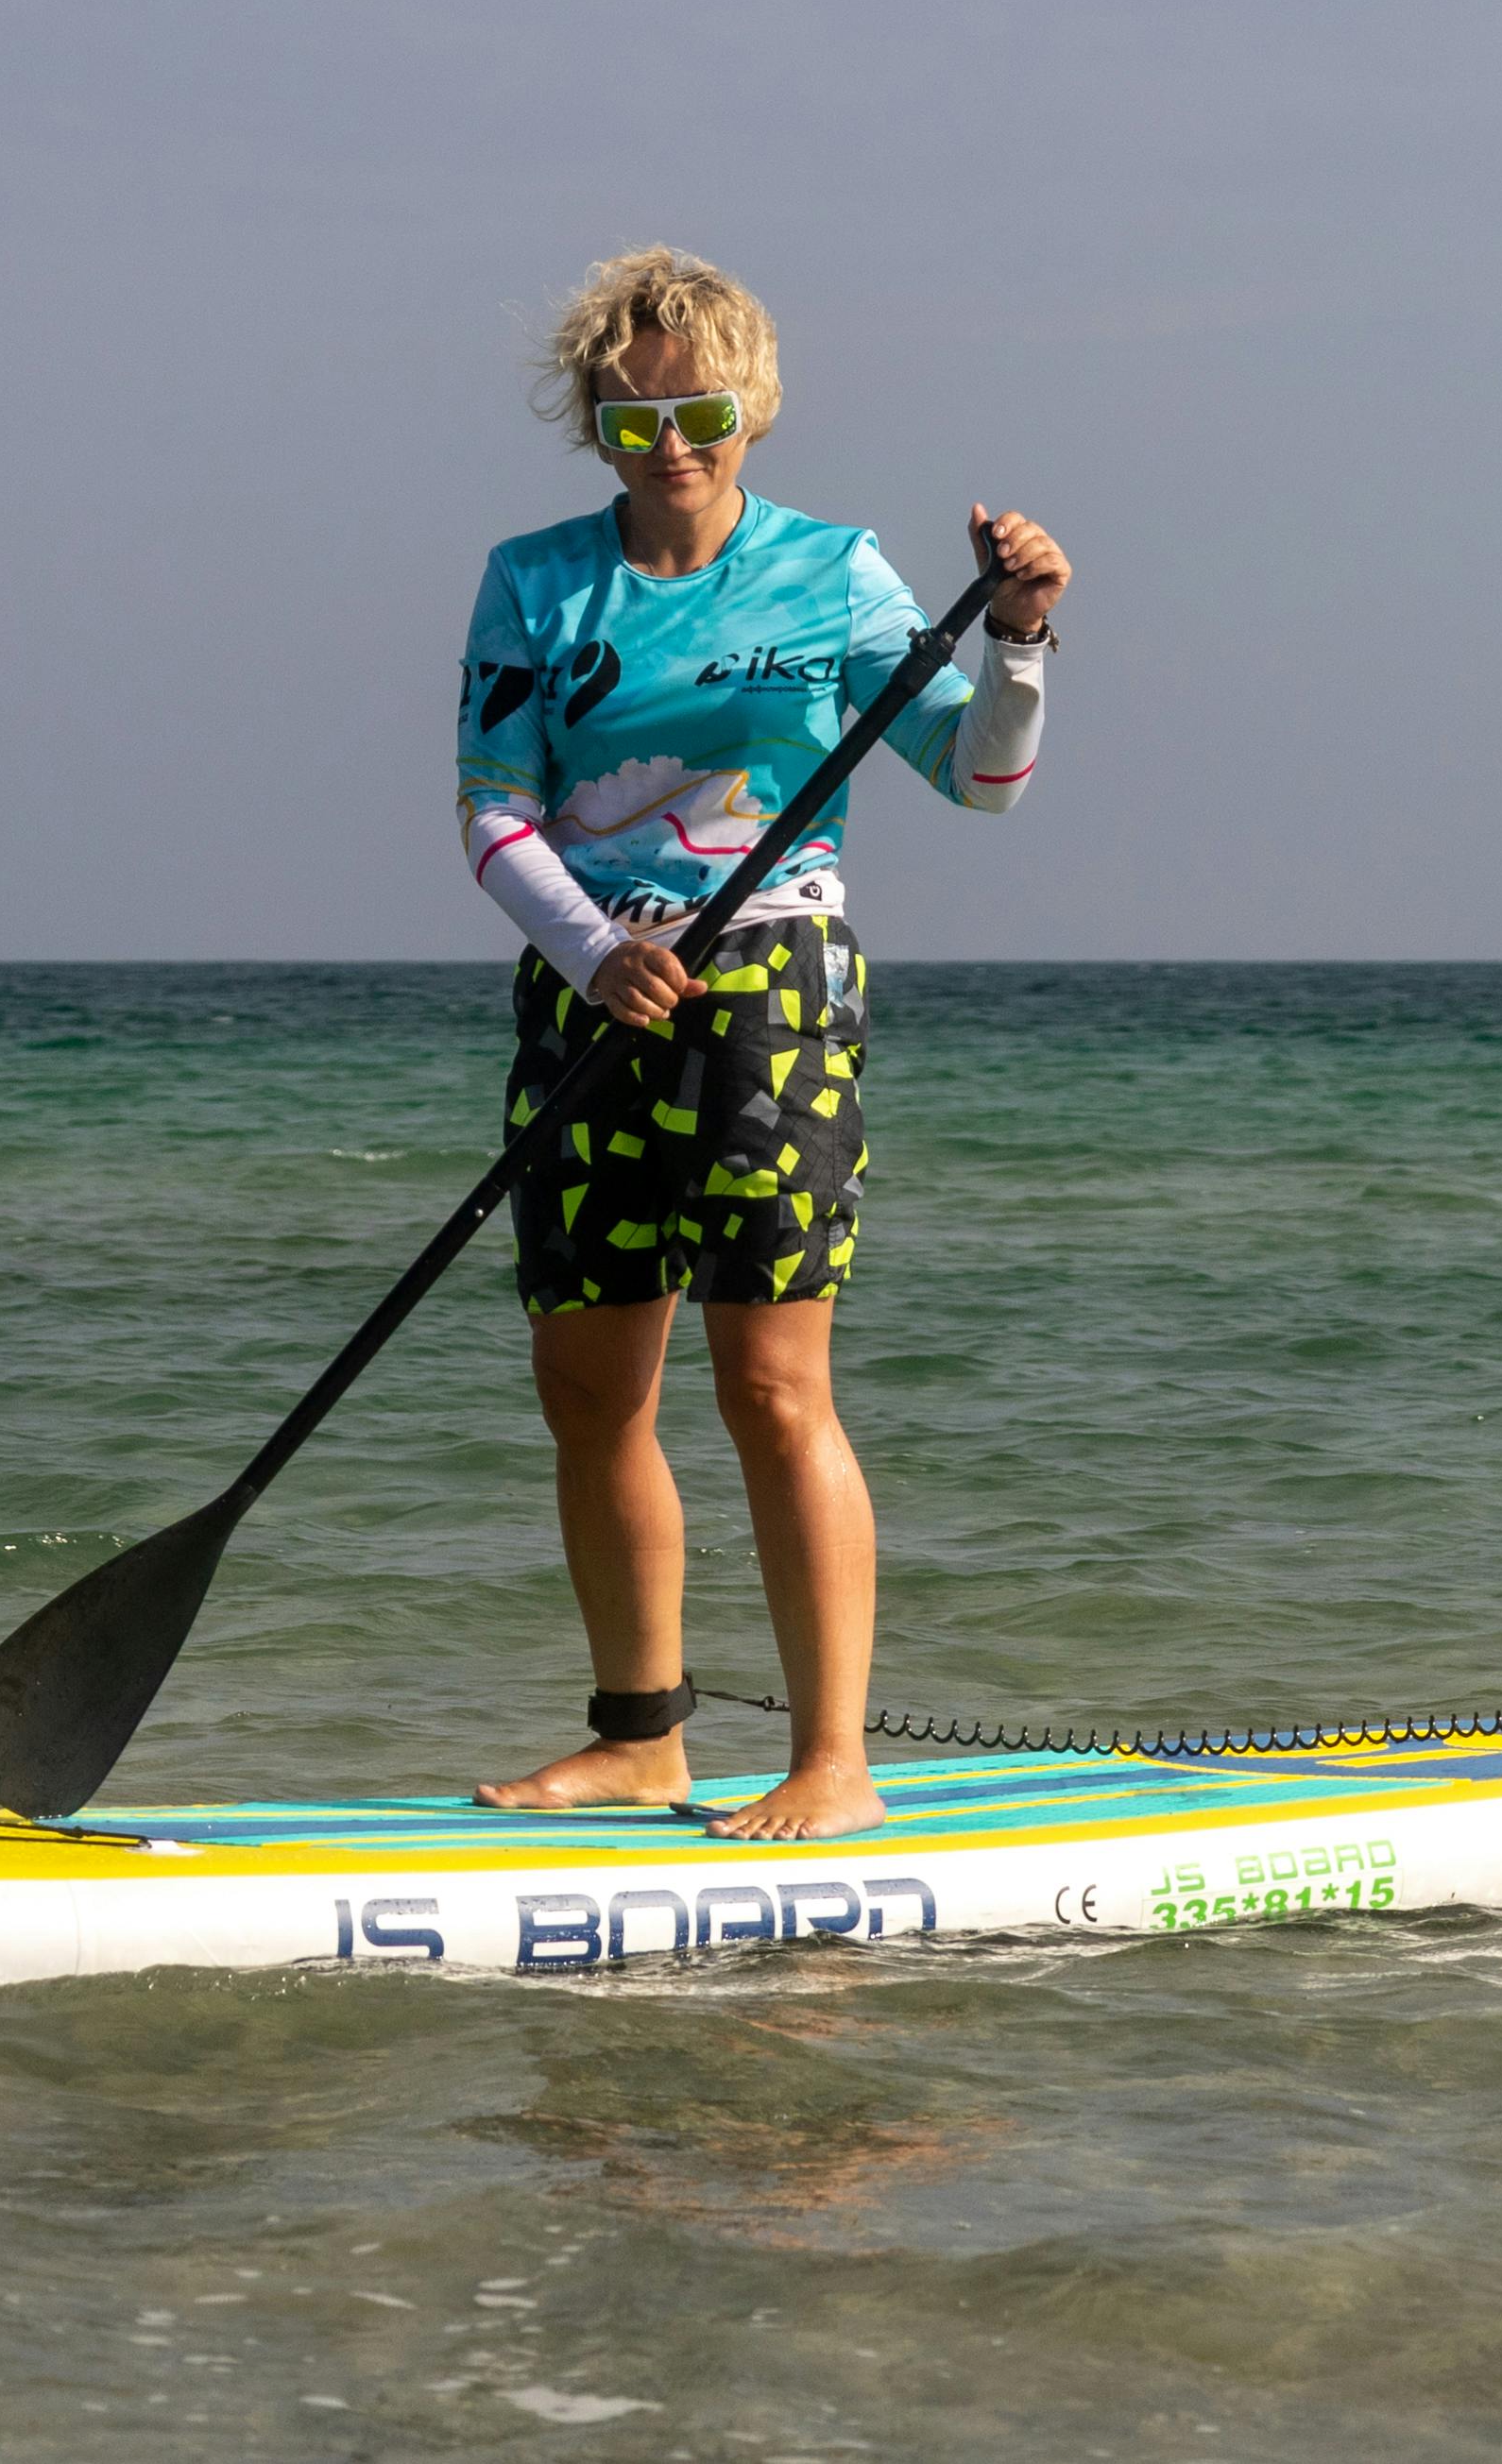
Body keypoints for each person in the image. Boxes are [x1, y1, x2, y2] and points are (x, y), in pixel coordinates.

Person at [451, 246, 1068, 1841]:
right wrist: (593, 953)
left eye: (701, 410)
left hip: (773, 989)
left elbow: (981, 783)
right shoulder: (534, 580)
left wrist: (1015, 642)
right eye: (630, 417)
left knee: (771, 1388)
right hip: (591, 993)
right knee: (587, 1389)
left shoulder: (838, 573)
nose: (670, 445)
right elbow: (494, 807)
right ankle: (641, 1737)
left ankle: (830, 1764)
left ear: (756, 408)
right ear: (590, 421)